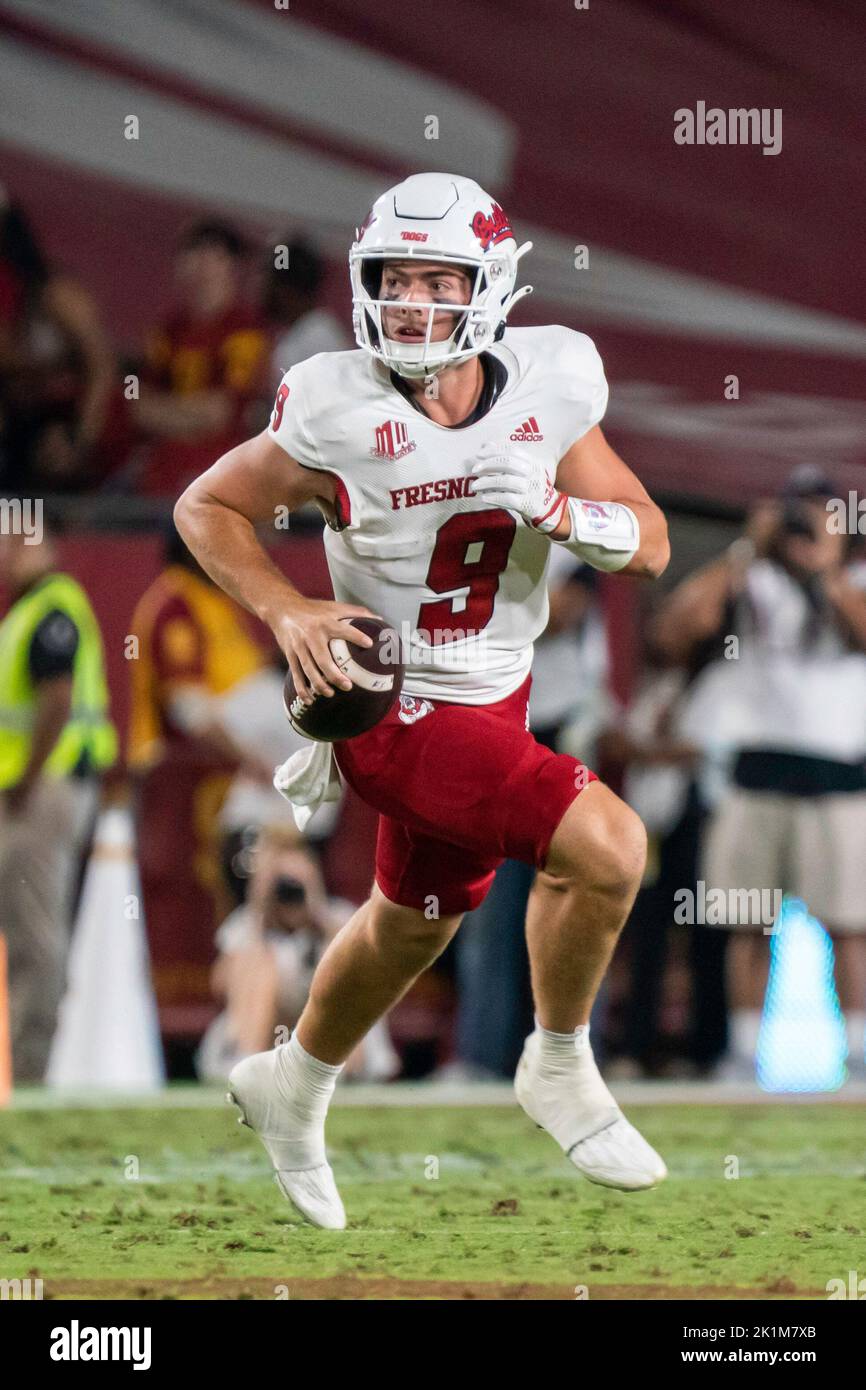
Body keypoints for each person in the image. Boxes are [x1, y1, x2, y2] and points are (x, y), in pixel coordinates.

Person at [175, 172, 671, 1229]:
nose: (408, 303)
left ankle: (291, 1085)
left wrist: (554, 508)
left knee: (411, 923)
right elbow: (207, 504)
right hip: (385, 704)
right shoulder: (333, 404)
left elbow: (650, 540)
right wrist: (287, 609)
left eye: (436, 280)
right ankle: (556, 1059)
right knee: (611, 848)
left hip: (499, 694)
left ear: (489, 286)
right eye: (392, 279)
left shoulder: (550, 378)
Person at [653, 466, 866, 1078]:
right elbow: (676, 631)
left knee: (850, 923)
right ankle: (745, 1052)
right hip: (756, 768)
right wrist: (746, 549)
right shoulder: (751, 579)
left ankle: (855, 1051)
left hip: (841, 772)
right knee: (748, 920)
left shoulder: (853, 578)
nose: (806, 525)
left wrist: (825, 566)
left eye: (822, 512)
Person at [0, 523, 117, 1080]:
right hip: (35, 788)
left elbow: (56, 699)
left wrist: (25, 778)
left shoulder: (50, 610)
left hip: (40, 792)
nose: (7, 554)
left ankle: (28, 1069)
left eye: (15, 542)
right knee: (27, 931)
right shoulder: (31, 612)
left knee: (35, 936)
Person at [197, 823, 397, 1083]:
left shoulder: (338, 917)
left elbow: (376, 976)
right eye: (283, 883)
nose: (290, 894)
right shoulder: (248, 925)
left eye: (297, 883)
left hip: (332, 1041)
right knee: (260, 966)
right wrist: (259, 908)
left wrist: (318, 911)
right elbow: (220, 985)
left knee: (341, 963)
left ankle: (340, 1074)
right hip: (267, 1035)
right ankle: (246, 1070)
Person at [0, 191, 122, 491]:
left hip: (68, 423)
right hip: (18, 426)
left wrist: (78, 439)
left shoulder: (57, 296)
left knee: (51, 455)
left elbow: (103, 368)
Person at [134, 221, 267, 497]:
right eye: (195, 254)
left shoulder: (245, 329)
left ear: (233, 268)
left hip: (221, 472)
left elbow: (221, 412)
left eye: (215, 256)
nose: (203, 266)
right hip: (158, 471)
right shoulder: (168, 329)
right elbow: (139, 407)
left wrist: (167, 414)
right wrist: (190, 417)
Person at [261, 238, 349, 393]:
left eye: (270, 282)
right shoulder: (296, 331)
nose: (264, 291)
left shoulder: (320, 336)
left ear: (286, 289)